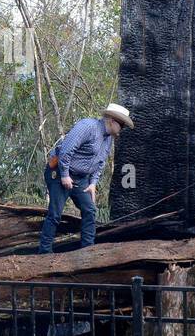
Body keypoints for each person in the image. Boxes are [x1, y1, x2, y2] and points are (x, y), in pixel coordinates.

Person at [37, 103, 134, 255]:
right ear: (112, 121)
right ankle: (44, 253)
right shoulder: (87, 127)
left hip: (82, 179)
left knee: (89, 210)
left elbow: (100, 163)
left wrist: (93, 184)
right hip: (60, 172)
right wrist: (64, 175)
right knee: (55, 213)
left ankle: (88, 250)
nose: (123, 128)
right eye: (122, 125)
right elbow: (65, 151)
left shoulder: (108, 139)